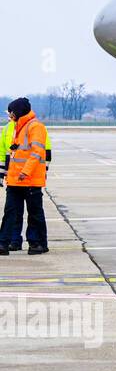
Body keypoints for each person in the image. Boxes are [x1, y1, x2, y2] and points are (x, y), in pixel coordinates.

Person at [1, 98, 48, 255]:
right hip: (15, 180)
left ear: (18, 112)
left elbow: (37, 152)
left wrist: (25, 171)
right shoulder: (17, 127)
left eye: (11, 112)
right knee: (10, 212)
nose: (10, 115)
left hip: (30, 180)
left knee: (34, 213)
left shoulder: (35, 127)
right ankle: (3, 244)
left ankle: (36, 244)